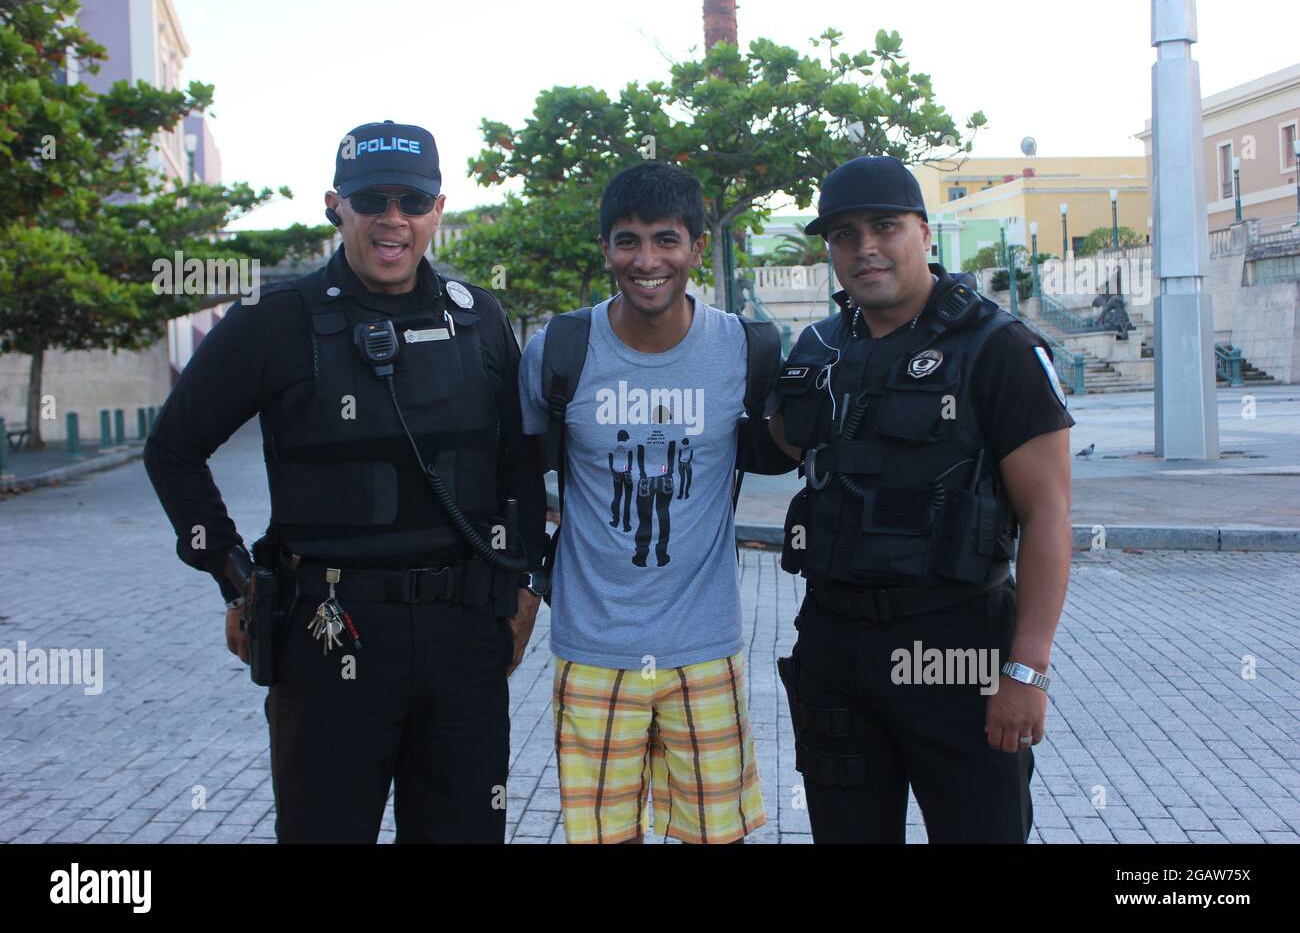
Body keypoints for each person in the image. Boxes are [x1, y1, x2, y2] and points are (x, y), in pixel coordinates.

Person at [144, 120, 547, 843]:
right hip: (330, 638)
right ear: (338, 205)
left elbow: (519, 461)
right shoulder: (274, 322)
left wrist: (524, 591)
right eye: (372, 200)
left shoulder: (481, 319)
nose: (393, 220)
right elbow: (173, 449)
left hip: (464, 637)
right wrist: (235, 577)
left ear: (438, 210)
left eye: (412, 201)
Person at [770, 155, 1074, 843]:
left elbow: (1048, 514)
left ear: (925, 232)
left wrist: (1027, 670)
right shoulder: (816, 349)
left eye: (885, 226)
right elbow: (784, 447)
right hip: (833, 643)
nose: (865, 248)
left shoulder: (998, 348)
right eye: (844, 235)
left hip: (955, 646)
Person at [519, 161, 795, 843]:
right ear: (606, 247)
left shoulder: (743, 349)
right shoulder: (556, 351)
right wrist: (524, 588)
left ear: (697, 247)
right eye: (628, 240)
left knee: (715, 835)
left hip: (706, 647)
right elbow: (518, 483)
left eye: (666, 240)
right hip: (592, 649)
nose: (647, 260)